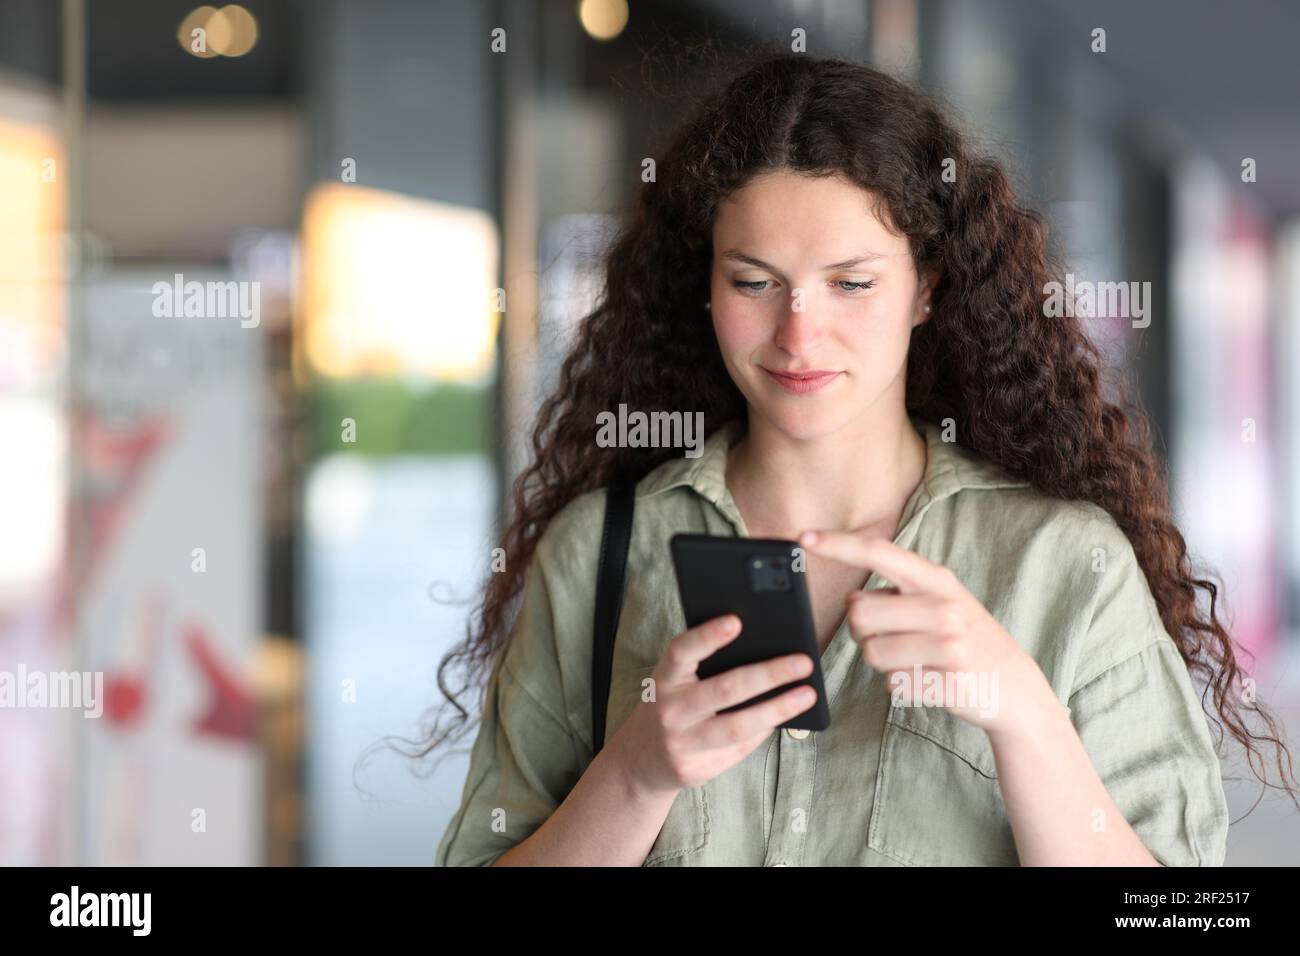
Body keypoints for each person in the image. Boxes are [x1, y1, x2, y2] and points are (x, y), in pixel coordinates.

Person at [429, 50, 1296, 866]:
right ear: (705, 286)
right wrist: (637, 772)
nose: (800, 332)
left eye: (852, 282)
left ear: (926, 288)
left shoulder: (1066, 563)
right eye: (754, 280)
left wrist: (1024, 716)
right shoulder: (597, 554)